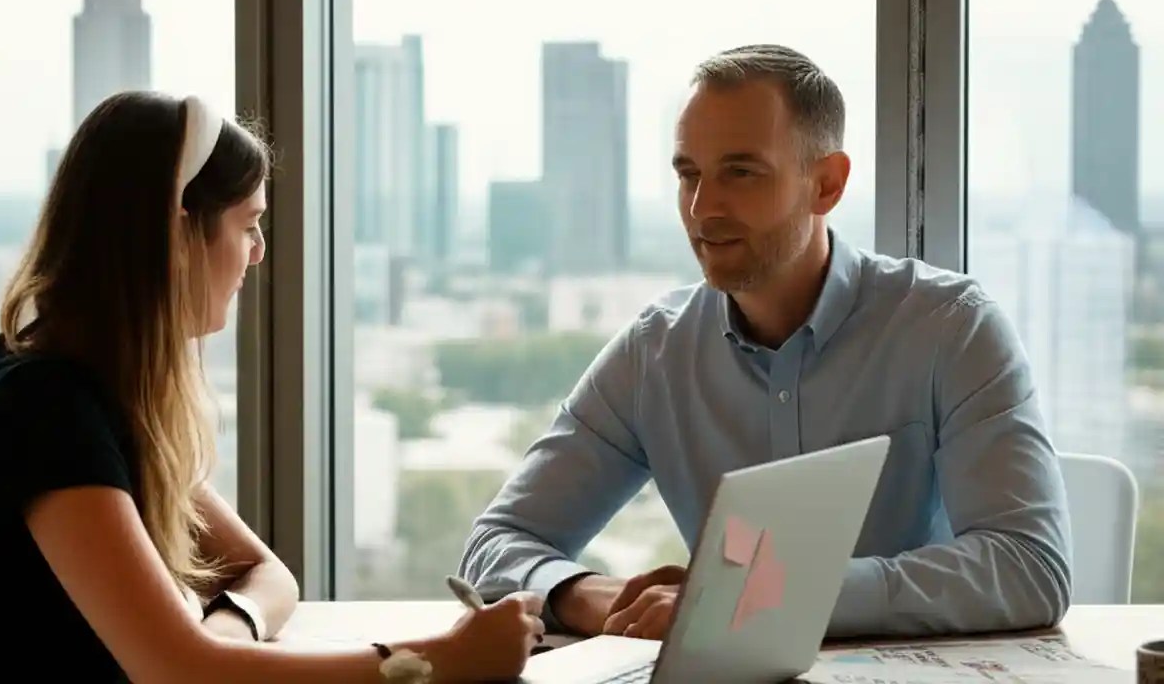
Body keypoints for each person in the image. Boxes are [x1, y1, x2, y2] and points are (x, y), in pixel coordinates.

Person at [0, 91, 543, 683]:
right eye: (248, 223)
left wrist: (225, 633)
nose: (258, 251)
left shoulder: (100, 397)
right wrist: (435, 662)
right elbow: (178, 672)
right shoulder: (43, 414)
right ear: (176, 234)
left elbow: (265, 576)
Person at [459, 44, 1072, 642]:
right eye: (689, 174)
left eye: (740, 173)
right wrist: (595, 597)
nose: (702, 209)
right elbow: (495, 545)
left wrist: (769, 598)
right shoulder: (655, 352)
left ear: (826, 185)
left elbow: (1028, 567)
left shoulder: (951, 328)